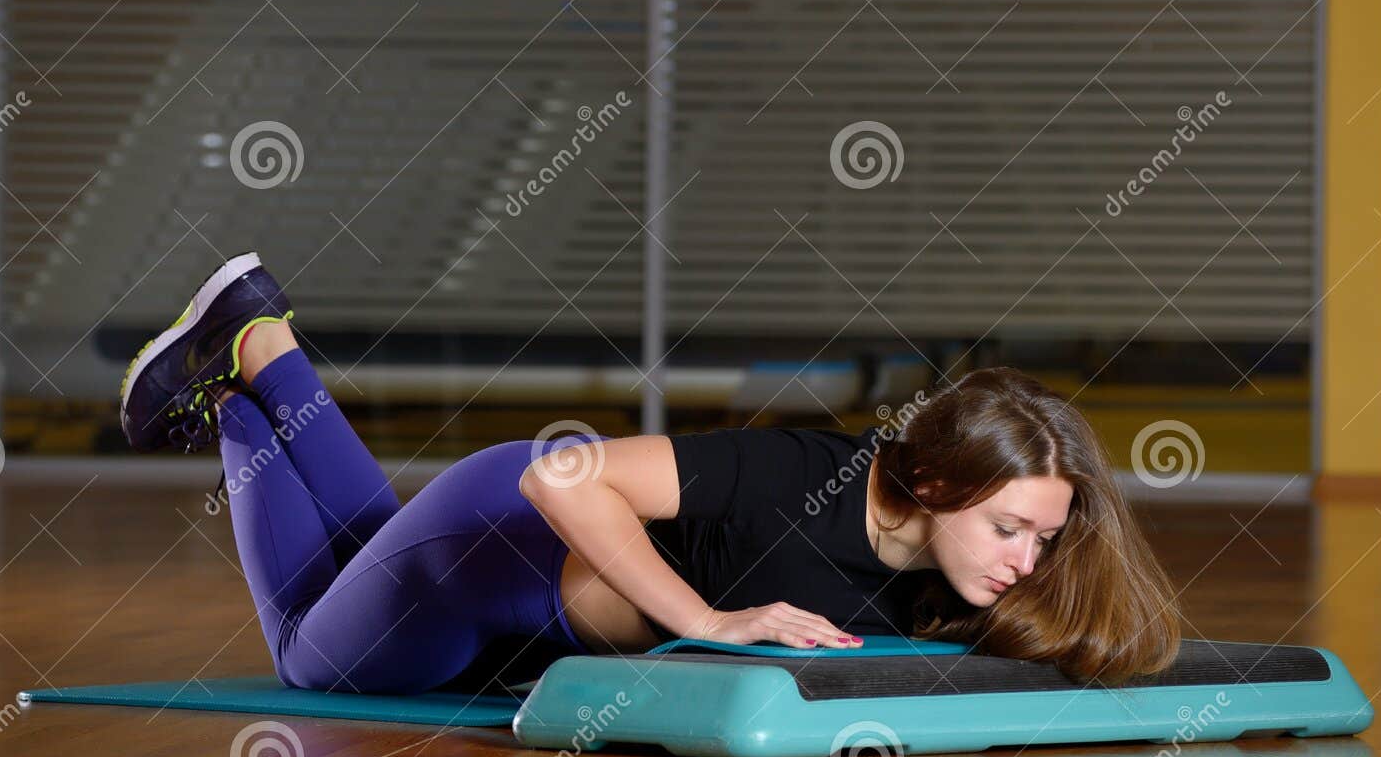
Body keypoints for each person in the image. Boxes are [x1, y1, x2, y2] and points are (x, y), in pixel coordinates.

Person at [120, 253, 1181, 695]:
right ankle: (232, 385)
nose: (1026, 558)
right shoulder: (801, 472)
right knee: (314, 659)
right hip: (500, 542)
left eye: (1041, 536)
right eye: (1009, 529)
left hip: (515, 583)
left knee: (357, 550)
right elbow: (562, 478)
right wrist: (706, 622)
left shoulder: (944, 576)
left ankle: (255, 342)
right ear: (938, 487)